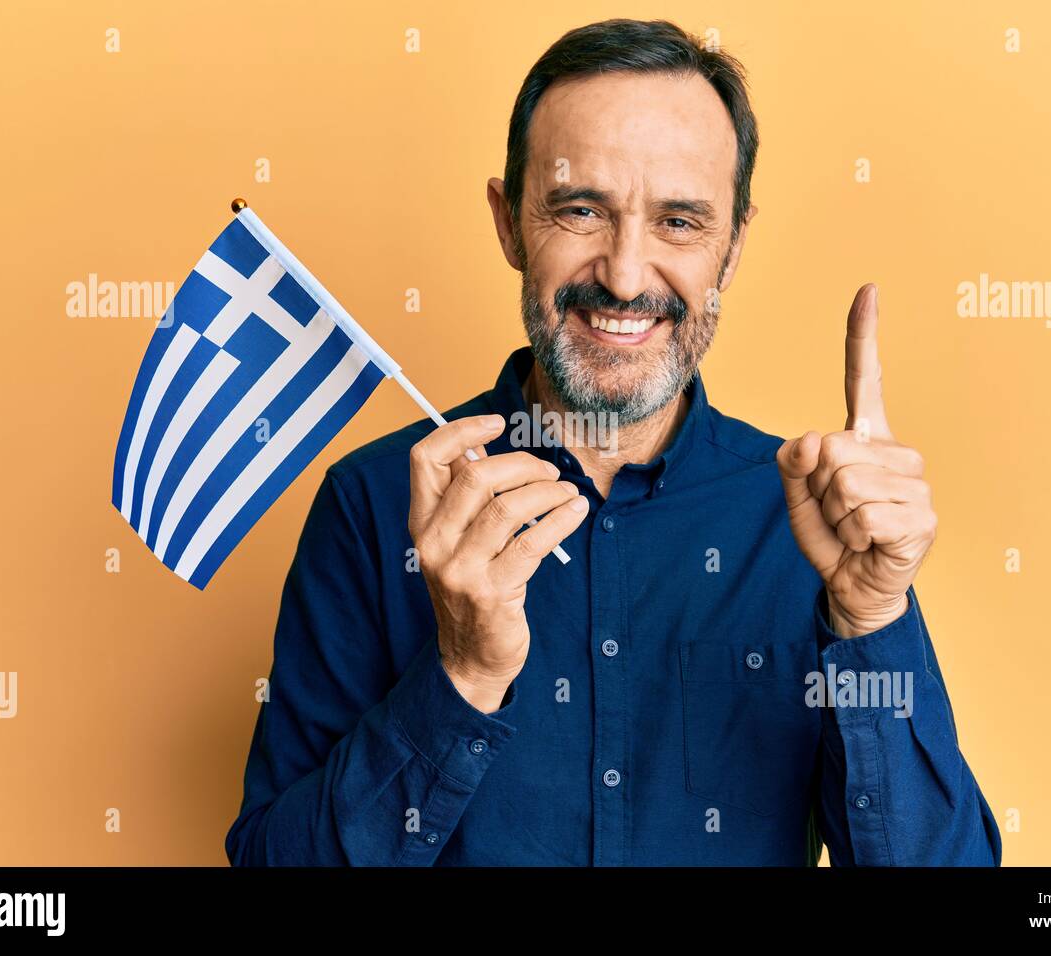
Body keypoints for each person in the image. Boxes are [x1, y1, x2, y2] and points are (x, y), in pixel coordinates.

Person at [225, 18, 1001, 866]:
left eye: (679, 221)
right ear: (510, 222)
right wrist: (462, 677)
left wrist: (870, 619)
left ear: (732, 248)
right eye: (582, 209)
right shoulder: (373, 505)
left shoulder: (813, 523)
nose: (626, 276)